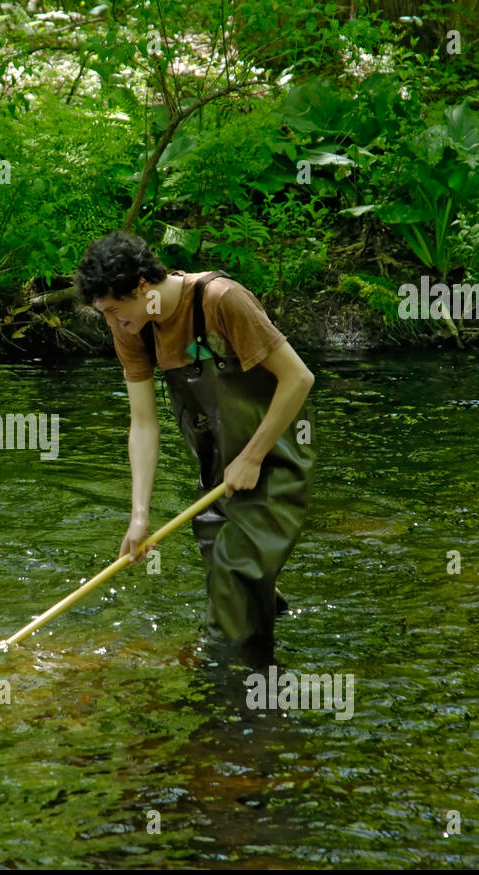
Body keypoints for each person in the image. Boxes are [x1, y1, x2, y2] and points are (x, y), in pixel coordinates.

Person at [74, 232, 315, 657]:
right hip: (217, 473)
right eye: (103, 314)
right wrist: (139, 516)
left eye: (114, 310)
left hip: (274, 462)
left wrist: (253, 457)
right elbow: (144, 425)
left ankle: (221, 689)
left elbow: (299, 378)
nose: (112, 323)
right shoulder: (134, 329)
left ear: (142, 288)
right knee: (231, 580)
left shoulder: (221, 299)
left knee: (232, 595)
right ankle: (257, 660)